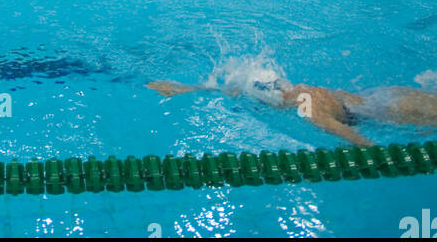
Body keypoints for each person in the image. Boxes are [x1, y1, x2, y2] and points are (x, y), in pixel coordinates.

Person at [146, 73, 437, 149]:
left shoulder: (306, 106)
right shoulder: (296, 92)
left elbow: (345, 132)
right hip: (379, 98)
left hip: (386, 109)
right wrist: (185, 87)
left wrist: (376, 151)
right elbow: (233, 87)